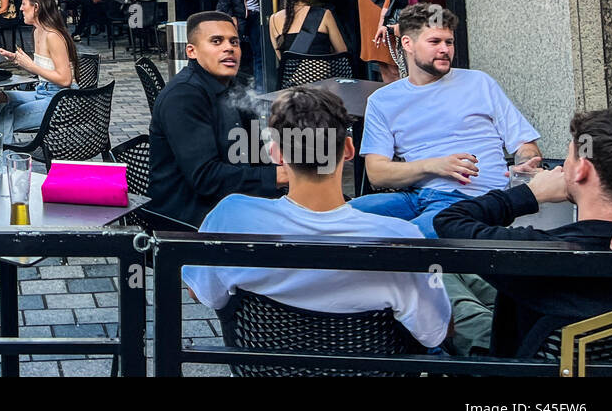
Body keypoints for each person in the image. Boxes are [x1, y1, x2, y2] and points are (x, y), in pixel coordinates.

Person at [184, 85, 451, 348]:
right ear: (348, 149)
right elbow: (434, 332)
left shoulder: (230, 217)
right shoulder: (401, 237)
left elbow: (201, 291)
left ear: (276, 153)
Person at [434, 105, 612, 357]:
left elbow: (449, 221)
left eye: (569, 158)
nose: (562, 167)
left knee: (439, 272)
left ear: (582, 169)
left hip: (516, 361)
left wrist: (530, 193)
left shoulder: (535, 249)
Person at [348, 3, 541, 237]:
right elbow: (377, 174)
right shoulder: (383, 100)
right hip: (414, 197)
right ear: (408, 44)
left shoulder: (479, 83)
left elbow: (525, 145)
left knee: (411, 241)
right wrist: (434, 166)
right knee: (333, 221)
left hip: (472, 200)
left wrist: (526, 165)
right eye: (435, 42)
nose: (445, 49)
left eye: (448, 42)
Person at [148, 11, 282, 227]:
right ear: (191, 51)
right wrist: (277, 177)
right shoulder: (184, 96)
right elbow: (206, 178)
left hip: (232, 203)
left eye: (234, 42)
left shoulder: (235, 84)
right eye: (216, 41)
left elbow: (256, 151)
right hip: (190, 220)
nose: (228, 48)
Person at [0, 0, 76, 144]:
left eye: (24, 3)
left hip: (60, 100)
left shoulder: (53, 36)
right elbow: (46, 67)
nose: (20, 8)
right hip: (41, 91)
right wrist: (14, 58)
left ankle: (6, 161)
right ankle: (4, 157)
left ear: (36, 7)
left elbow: (65, 80)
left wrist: (32, 66)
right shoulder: (37, 31)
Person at [267, 0, 348, 65]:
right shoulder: (324, 15)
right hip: (323, 79)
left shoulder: (273, 20)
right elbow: (342, 53)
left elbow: (282, 59)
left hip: (291, 79)